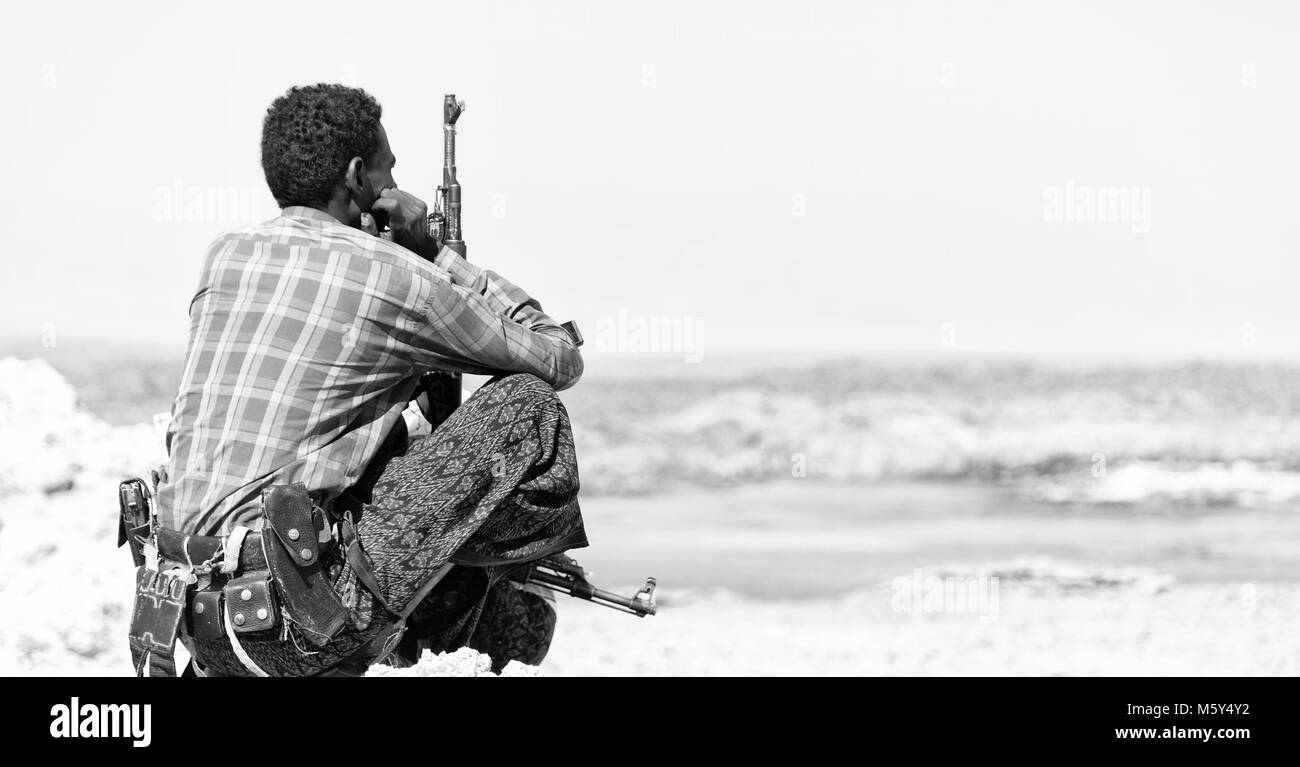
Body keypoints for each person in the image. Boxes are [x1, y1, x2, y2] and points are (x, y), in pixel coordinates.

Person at [146, 83, 586, 676]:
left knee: (384, 455)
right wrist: (435, 253)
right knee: (526, 406)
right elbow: (557, 357)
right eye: (389, 172)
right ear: (358, 177)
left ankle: (467, 600)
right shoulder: (394, 277)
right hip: (293, 625)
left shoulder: (225, 257)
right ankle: (489, 576)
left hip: (187, 618)